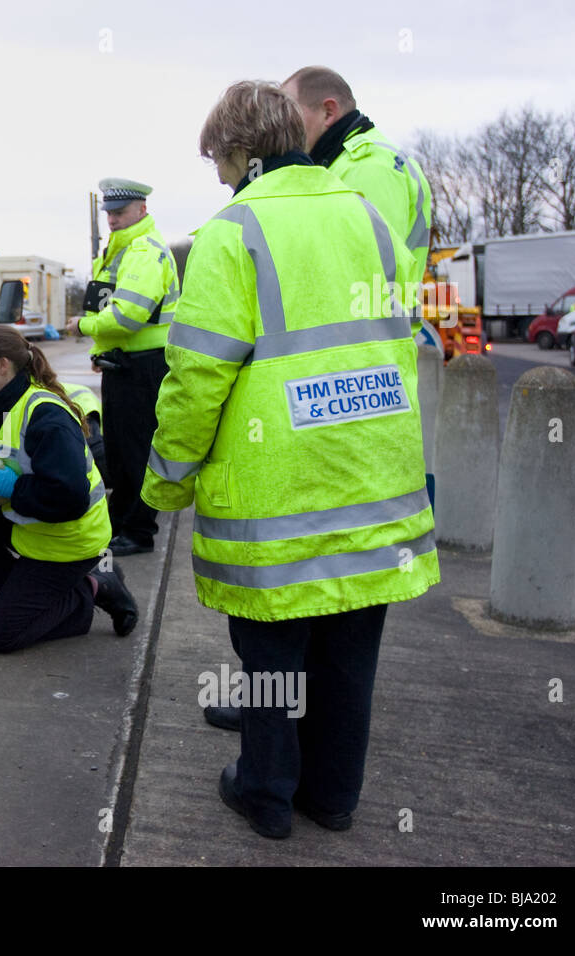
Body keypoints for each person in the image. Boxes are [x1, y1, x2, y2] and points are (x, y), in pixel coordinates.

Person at [143, 80, 439, 838]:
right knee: (349, 654)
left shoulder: (232, 231)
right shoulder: (367, 216)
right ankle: (333, 798)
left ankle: (267, 794)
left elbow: (198, 375)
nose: (215, 171)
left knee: (273, 652)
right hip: (373, 474)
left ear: (241, 150)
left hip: (280, 489)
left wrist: (168, 478)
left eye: (216, 156)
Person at [203, 67, 438, 737]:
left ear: (326, 111)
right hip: (363, 415)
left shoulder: (366, 176)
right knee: (342, 637)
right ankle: (317, 778)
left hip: (326, 419)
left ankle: (275, 766)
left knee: (306, 620)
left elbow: (330, 301)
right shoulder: (355, 179)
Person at [0, 325, 138, 652]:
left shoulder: (44, 414)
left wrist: (14, 487)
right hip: (28, 527)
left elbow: (69, 500)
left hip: (67, 541)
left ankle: (93, 588)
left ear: (2, 366)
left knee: (1, 636)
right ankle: (24, 589)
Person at [65, 179, 180, 557]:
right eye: (109, 213)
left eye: (120, 212)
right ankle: (125, 523)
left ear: (141, 210)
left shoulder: (144, 251)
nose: (112, 219)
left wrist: (83, 328)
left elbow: (128, 316)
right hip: (124, 364)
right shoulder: (117, 250)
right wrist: (102, 351)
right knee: (120, 451)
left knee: (135, 452)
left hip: (143, 367)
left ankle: (139, 531)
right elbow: (103, 307)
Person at [281, 66, 433, 299]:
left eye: (291, 113)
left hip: (368, 334)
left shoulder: (367, 167)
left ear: (328, 112)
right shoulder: (348, 163)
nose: (284, 125)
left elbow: (367, 273)